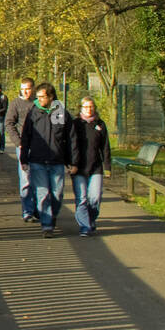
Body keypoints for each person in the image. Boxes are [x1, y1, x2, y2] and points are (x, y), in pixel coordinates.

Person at [19, 82, 72, 236]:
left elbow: (69, 138)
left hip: (56, 160)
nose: (39, 99)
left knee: (57, 194)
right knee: (42, 194)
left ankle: (51, 215)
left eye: (42, 97)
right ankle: (47, 225)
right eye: (38, 97)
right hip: (37, 160)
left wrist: (71, 161)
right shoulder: (33, 113)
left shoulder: (61, 113)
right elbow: (26, 137)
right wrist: (24, 159)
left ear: (51, 97)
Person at [68, 96, 112, 236]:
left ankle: (90, 220)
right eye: (86, 107)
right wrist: (70, 163)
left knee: (95, 198)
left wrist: (107, 167)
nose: (89, 109)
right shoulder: (75, 124)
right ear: (81, 108)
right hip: (78, 167)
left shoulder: (100, 124)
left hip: (96, 167)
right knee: (82, 198)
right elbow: (69, 145)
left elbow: (105, 147)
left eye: (91, 106)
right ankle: (85, 226)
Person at [5, 78, 36, 221]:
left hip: (40, 147)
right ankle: (27, 211)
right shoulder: (15, 103)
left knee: (39, 179)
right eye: (23, 88)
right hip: (23, 147)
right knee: (26, 179)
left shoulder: (39, 103)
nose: (25, 91)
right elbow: (9, 123)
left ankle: (38, 209)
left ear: (33, 88)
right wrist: (18, 142)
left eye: (28, 88)